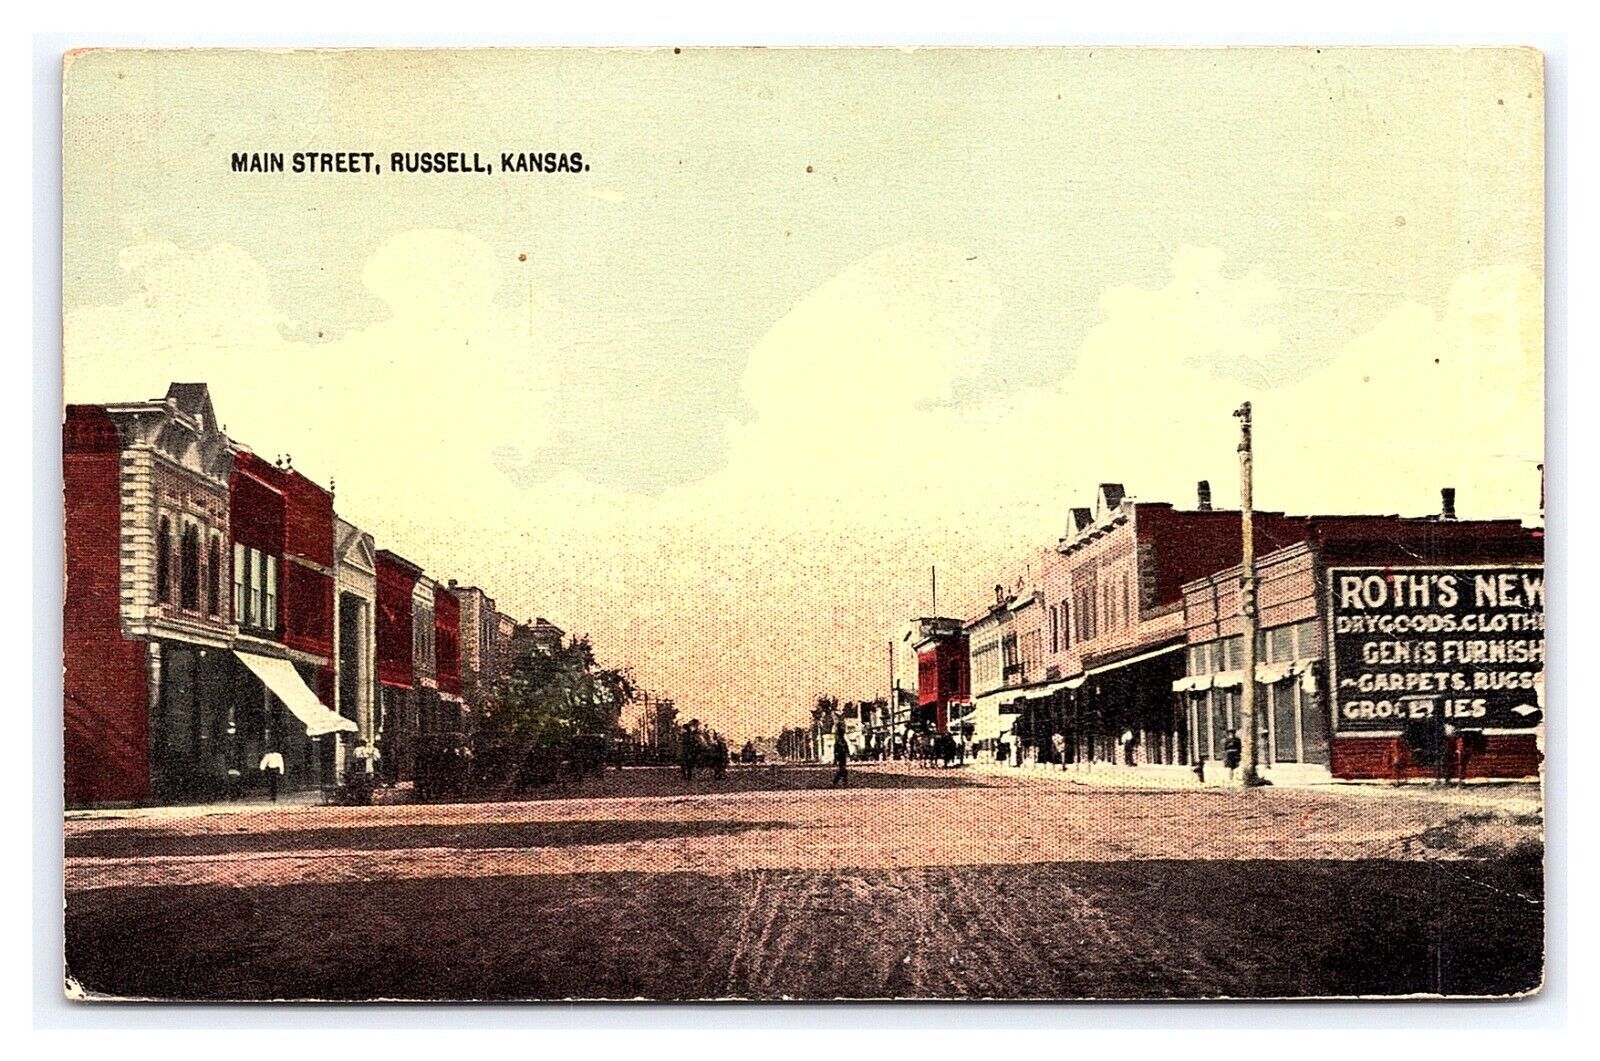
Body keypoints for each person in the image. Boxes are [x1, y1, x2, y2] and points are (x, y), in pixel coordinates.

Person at [831, 721, 849, 787]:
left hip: (842, 755)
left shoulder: (842, 740)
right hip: (840, 756)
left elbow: (846, 748)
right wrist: (835, 759)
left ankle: (839, 782)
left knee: (843, 769)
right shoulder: (839, 741)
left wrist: (848, 753)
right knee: (843, 770)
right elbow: (835, 750)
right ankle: (840, 781)